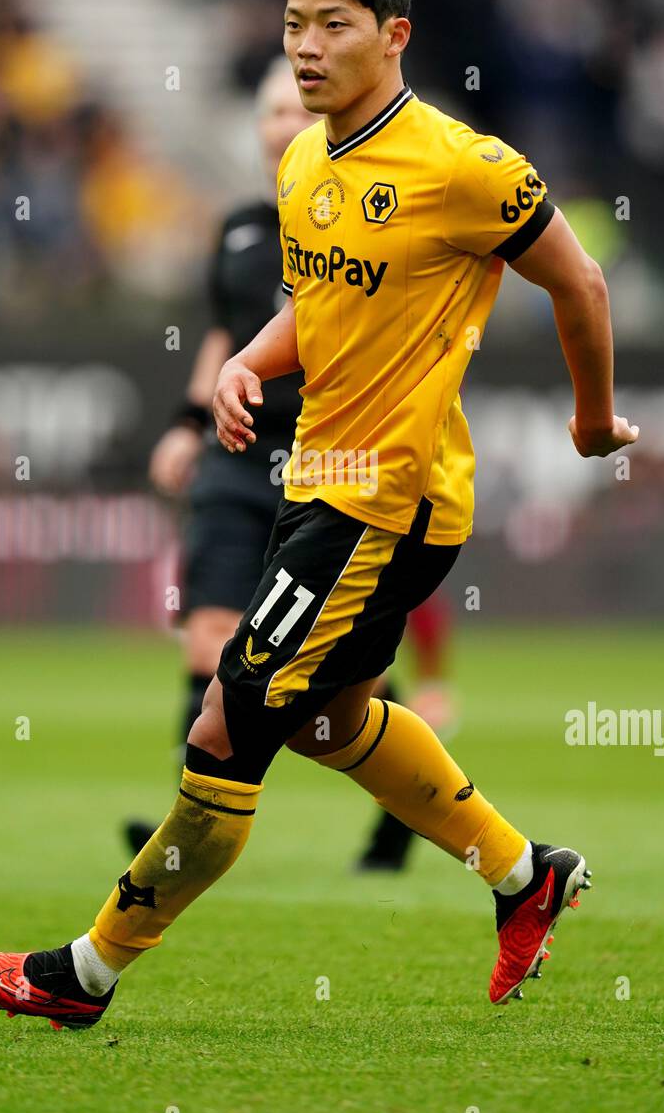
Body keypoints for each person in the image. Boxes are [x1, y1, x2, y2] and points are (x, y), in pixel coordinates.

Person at [0, 0, 637, 1030]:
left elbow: (582, 281)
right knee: (327, 721)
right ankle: (525, 875)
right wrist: (246, 360)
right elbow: (318, 312)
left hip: (387, 501)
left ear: (394, 35)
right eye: (293, 25)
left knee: (225, 726)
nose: (307, 48)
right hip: (317, 485)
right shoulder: (303, 164)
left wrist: (593, 419)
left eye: (333, 25)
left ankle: (79, 973)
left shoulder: (464, 165)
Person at [125, 55, 439, 872]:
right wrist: (188, 422)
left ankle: (405, 809)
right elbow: (228, 333)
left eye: (294, 109)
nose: (282, 124)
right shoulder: (237, 228)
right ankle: (182, 828)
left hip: (328, 464)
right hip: (237, 457)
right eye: (269, 110)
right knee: (210, 642)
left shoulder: (367, 221)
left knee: (330, 682)